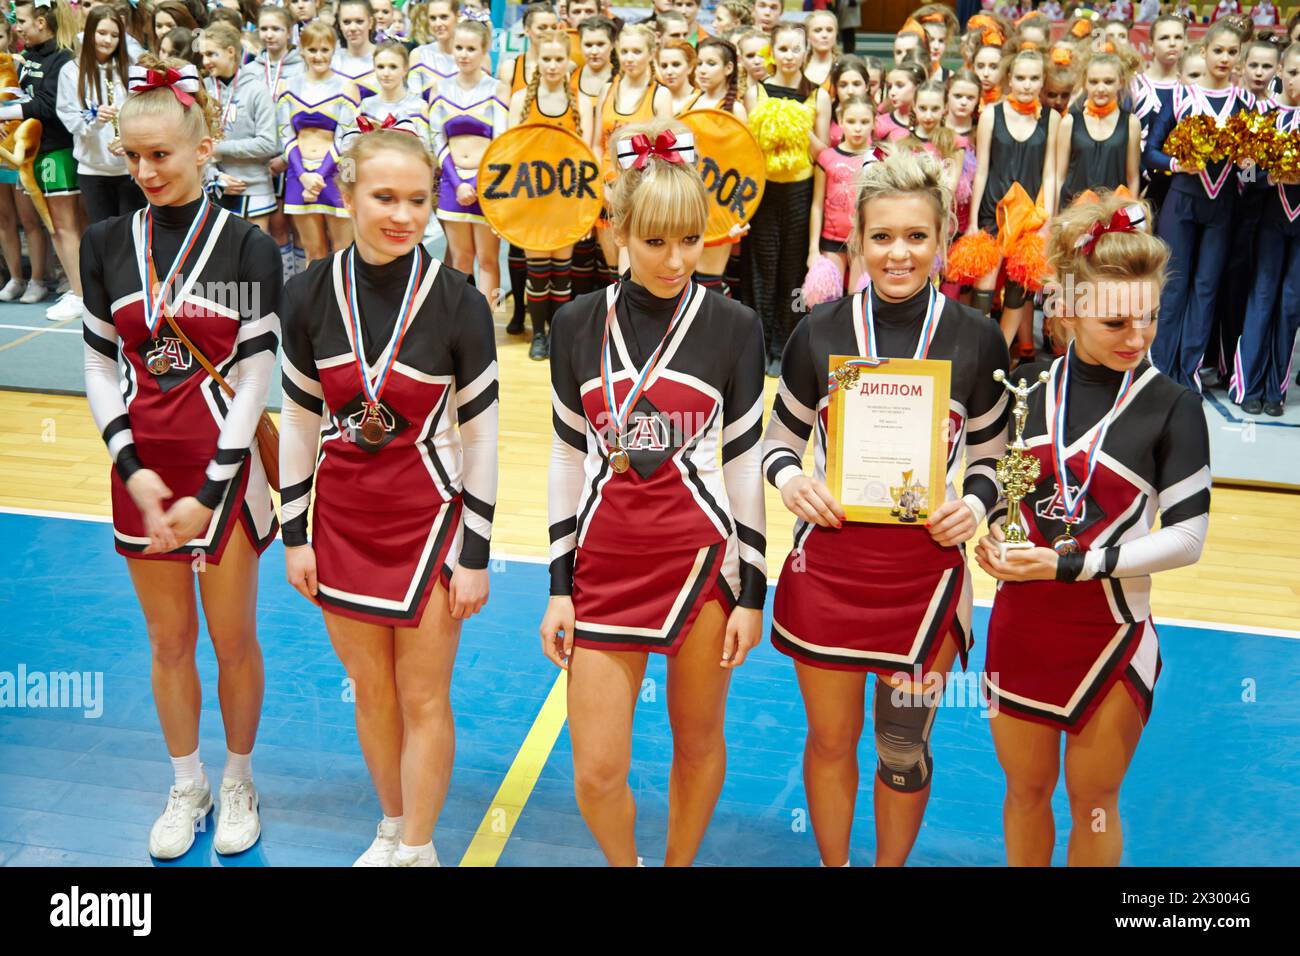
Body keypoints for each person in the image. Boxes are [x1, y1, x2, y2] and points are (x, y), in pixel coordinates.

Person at [761, 149, 1009, 867]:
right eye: (881, 237)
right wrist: (789, 484)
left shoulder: (977, 337)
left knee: (903, 747)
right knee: (831, 740)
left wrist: (975, 502)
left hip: (926, 574)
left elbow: (993, 458)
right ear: (856, 241)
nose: (898, 254)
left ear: (943, 238)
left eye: (916, 237)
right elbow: (781, 441)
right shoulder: (821, 330)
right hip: (830, 564)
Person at [540, 118, 766, 867]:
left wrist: (752, 587)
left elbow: (742, 460)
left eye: (690, 240)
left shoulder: (734, 325)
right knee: (596, 772)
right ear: (617, 234)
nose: (675, 260)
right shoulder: (574, 322)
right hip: (603, 569)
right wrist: (559, 585)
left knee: (699, 744)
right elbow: (568, 458)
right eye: (656, 241)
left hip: (702, 565)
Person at [80, 54, 282, 860]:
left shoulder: (249, 248)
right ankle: (187, 779)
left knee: (233, 641)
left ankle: (238, 777)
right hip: (145, 472)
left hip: (221, 473)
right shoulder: (104, 242)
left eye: (160, 153)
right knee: (168, 643)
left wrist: (209, 486)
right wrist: (132, 467)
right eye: (132, 156)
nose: (145, 170)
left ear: (206, 146)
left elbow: (256, 380)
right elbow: (99, 365)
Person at [279, 127, 498, 868]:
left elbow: (485, 442)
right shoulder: (305, 293)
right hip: (339, 526)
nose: (402, 215)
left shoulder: (460, 301)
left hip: (430, 523)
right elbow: (302, 422)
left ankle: (419, 847)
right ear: (345, 195)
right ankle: (391, 822)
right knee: (370, 692)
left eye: (417, 199)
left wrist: (476, 553)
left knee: (424, 698)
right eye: (384, 197)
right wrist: (293, 532)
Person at [976, 191, 1210, 866]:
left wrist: (1069, 565)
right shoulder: (1023, 386)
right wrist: (993, 532)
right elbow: (1004, 490)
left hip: (1110, 636)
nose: (1138, 338)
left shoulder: (1173, 407)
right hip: (1021, 626)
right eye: (1116, 322)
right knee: (1025, 793)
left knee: (1094, 801)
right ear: (1070, 308)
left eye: (1150, 319)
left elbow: (1189, 539)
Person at [1144, 22, 1255, 393]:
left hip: (1222, 206)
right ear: (1203, 51)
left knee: (1206, 288)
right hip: (1181, 202)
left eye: (1232, 52)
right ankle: (1160, 370)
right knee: (1172, 287)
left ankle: (1188, 373)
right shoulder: (1180, 96)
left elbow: (1255, 169)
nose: (1224, 58)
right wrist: (1178, 164)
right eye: (1218, 50)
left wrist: (1248, 166)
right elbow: (1151, 152)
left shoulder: (1247, 102)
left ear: (1239, 57)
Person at [743, 20, 831, 377]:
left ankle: (784, 346)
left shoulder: (818, 94)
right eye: (783, 49)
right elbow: (748, 150)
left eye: (797, 48)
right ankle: (759, 346)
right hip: (764, 192)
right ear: (772, 52)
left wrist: (797, 124)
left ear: (806, 51)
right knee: (761, 269)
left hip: (800, 190)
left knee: (792, 272)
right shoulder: (756, 91)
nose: (790, 55)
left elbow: (823, 153)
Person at [966, 48, 1061, 358]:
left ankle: (1000, 355)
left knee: (1020, 292)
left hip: (1030, 216)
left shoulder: (1053, 118)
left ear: (1043, 80)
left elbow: (1050, 173)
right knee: (985, 286)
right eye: (1020, 77)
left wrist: (1049, 221)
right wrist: (970, 223)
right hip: (992, 210)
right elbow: (980, 170)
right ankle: (978, 354)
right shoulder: (991, 113)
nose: (1027, 84)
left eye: (1034, 78)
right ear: (1009, 79)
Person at [1230, 41, 1300, 417]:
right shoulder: (1263, 116)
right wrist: (1265, 174)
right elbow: (1244, 175)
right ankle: (1249, 384)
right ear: (1280, 72)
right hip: (1268, 219)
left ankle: (1276, 389)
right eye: (1291, 72)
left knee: (1291, 304)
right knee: (1261, 297)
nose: (1296, 81)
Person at [3, 0, 85, 320]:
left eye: (22, 21)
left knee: (65, 227)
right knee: (55, 228)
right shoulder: (29, 56)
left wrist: (6, 111)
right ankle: (80, 292)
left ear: (41, 22)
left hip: (58, 151)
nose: (16, 27)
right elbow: (23, 98)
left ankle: (81, 295)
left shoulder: (63, 59)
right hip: (34, 153)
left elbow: (47, 107)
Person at [507, 29, 587, 358]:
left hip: (566, 200)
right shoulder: (520, 99)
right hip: (533, 200)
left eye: (558, 59)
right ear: (537, 59)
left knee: (562, 269)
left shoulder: (580, 101)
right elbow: (508, 154)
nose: (553, 65)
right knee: (538, 269)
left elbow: (588, 157)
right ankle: (538, 333)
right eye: (546, 59)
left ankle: (556, 332)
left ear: (569, 62)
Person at [429, 17, 507, 307]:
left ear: (484, 49)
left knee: (488, 260)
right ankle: (455, 326)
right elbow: (437, 141)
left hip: (487, 186)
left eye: (471, 48)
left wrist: (474, 183)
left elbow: (501, 143)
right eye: (459, 47)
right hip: (452, 183)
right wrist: (459, 183)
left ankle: (486, 322)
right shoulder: (439, 89)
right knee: (459, 258)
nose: (463, 54)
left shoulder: (497, 89)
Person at [277, 20, 358, 262]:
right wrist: (303, 175)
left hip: (334, 177)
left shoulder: (347, 86)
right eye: (312, 49)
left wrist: (320, 176)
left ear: (334, 50)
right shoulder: (288, 86)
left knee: (343, 251)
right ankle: (314, 301)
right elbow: (285, 134)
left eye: (325, 50)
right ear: (302, 50)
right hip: (299, 176)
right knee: (313, 252)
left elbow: (346, 138)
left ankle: (345, 299)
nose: (319, 56)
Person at [55, 3, 143, 225]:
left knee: (131, 234)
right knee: (103, 236)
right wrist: (94, 120)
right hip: (92, 170)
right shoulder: (71, 71)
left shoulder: (131, 68)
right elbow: (70, 117)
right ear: (89, 32)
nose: (107, 41)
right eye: (102, 33)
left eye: (114, 35)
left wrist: (132, 143)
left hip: (130, 168)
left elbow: (144, 114)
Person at [240, 2, 307, 280]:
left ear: (290, 32)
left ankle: (304, 284)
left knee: (301, 227)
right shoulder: (250, 70)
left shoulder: (302, 67)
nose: (269, 35)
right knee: (277, 225)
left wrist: (286, 157)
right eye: (264, 28)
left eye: (276, 29)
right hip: (262, 161)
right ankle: (284, 285)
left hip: (295, 158)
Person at [199, 21, 279, 232]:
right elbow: (193, 143)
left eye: (211, 54)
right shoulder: (202, 90)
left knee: (255, 258)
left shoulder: (256, 90)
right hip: (215, 186)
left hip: (254, 187)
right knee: (223, 259)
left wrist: (218, 148)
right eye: (203, 55)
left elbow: (268, 144)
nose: (205, 61)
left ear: (231, 52)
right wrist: (214, 176)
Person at [1054, 48, 1141, 209]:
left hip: (1114, 215)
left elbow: (1133, 178)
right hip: (1073, 214)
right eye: (1094, 82)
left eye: (1108, 81)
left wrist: (1131, 215)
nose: (1100, 89)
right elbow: (1059, 177)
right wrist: (1054, 220)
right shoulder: (1069, 122)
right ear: (1085, 82)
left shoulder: (1131, 123)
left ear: (1120, 82)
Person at [332, 0, 379, 96]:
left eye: (359, 21)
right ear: (339, 24)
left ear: (370, 22)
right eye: (346, 22)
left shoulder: (386, 58)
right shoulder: (332, 61)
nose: (353, 28)